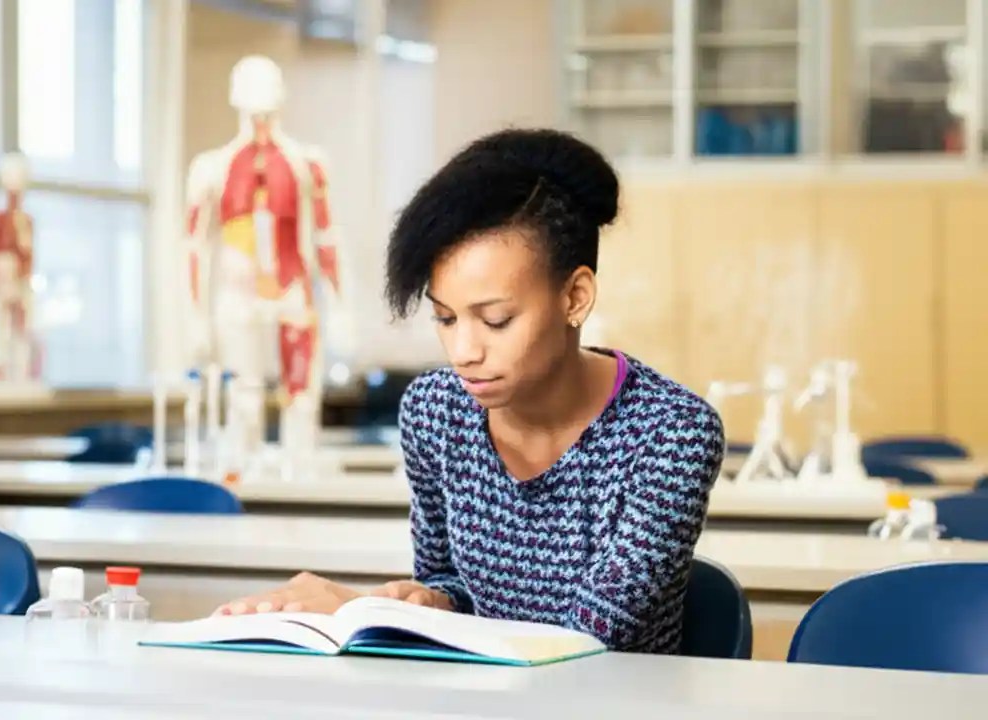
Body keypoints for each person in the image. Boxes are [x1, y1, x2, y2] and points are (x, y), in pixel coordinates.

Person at [214, 128, 726, 653]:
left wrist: (356, 604)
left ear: (575, 297)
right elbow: (449, 581)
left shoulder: (672, 432)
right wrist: (429, 601)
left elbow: (589, 639)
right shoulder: (436, 411)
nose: (463, 351)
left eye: (496, 320)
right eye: (445, 318)